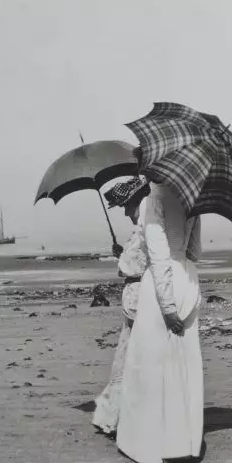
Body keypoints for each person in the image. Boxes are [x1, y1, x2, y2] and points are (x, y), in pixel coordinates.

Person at [116, 181, 204, 463]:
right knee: (185, 365)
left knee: (150, 365)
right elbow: (195, 252)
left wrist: (167, 306)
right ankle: (185, 443)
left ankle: (151, 446)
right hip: (187, 280)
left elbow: (157, 256)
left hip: (160, 285)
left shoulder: (153, 200)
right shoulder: (192, 195)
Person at [91, 177, 150, 437]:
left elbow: (134, 266)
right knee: (128, 356)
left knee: (131, 358)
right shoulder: (142, 229)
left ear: (136, 202)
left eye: (126, 206)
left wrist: (122, 258)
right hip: (136, 297)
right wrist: (122, 254)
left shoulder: (144, 230)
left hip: (139, 298)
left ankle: (120, 416)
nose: (125, 212)